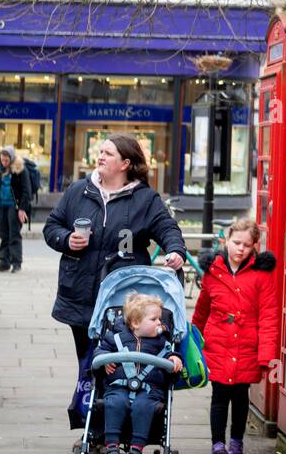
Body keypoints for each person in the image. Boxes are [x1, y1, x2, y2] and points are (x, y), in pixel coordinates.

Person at [44, 134, 187, 361]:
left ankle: (104, 396)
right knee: (87, 360)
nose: (100, 157)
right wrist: (67, 239)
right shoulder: (78, 190)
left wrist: (176, 251)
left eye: (108, 153)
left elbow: (168, 229)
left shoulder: (145, 199)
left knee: (117, 359)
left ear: (125, 164)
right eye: (100, 152)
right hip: (80, 292)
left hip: (123, 297)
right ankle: (85, 395)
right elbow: (52, 226)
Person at [192, 218, 279, 454]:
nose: (241, 249)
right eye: (237, 242)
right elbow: (201, 310)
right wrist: (192, 343)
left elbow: (269, 316)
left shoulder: (261, 276)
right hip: (218, 343)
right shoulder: (212, 272)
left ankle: (237, 441)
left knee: (241, 397)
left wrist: (266, 355)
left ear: (254, 247)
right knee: (219, 395)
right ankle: (217, 444)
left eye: (247, 245)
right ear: (226, 240)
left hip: (247, 345)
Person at [97, 292, 183, 454]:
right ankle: (111, 446)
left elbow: (170, 354)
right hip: (118, 386)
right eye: (154, 319)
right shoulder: (116, 338)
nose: (160, 323)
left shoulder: (161, 343)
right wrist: (104, 360)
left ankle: (137, 448)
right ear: (136, 323)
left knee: (143, 407)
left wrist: (175, 359)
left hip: (149, 390)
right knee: (113, 403)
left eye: (160, 319)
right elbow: (100, 351)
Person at [0, 147, 32, 272]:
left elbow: (27, 191)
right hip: (1, 206)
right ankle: (4, 262)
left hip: (14, 207)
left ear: (11, 158)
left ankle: (16, 263)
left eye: (6, 160)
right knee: (4, 234)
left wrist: (22, 209)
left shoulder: (20, 169)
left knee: (14, 234)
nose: (4, 162)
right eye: (2, 160)